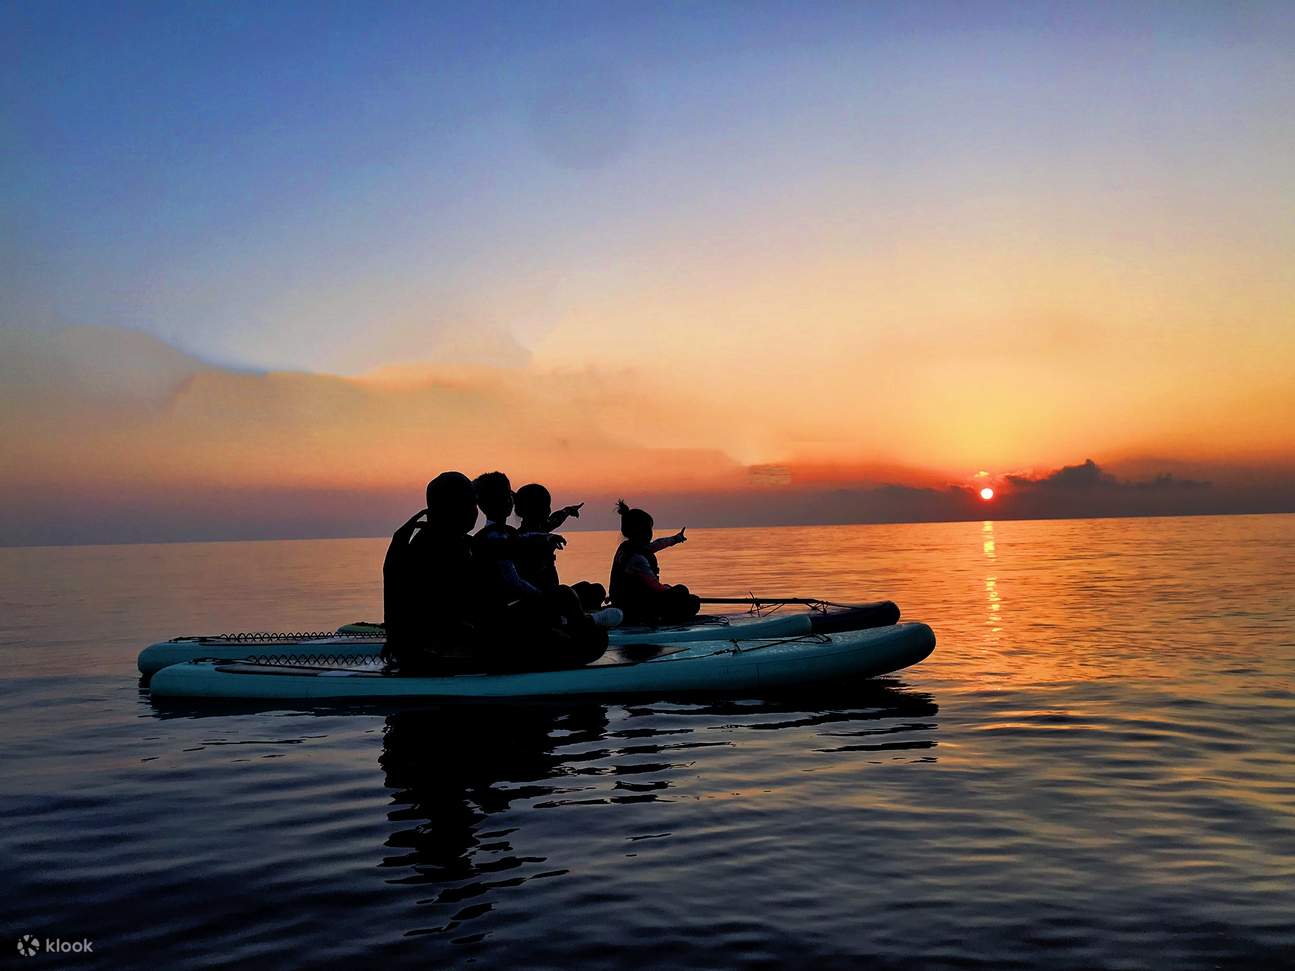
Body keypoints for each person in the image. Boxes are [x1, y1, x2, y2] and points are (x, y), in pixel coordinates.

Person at [472, 471, 608, 669]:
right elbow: (512, 581)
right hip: (504, 614)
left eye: (509, 495)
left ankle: (577, 626)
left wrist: (547, 536)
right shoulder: (493, 537)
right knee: (563, 594)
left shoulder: (507, 533)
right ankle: (583, 628)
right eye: (504, 496)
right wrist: (542, 597)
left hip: (520, 604)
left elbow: (526, 537)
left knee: (580, 591)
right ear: (486, 504)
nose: (509, 500)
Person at [381, 471, 482, 674]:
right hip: (432, 651)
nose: (475, 511)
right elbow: (448, 611)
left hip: (439, 643)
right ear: (451, 507)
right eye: (470, 504)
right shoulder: (433, 547)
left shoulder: (455, 541)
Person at [513, 482, 606, 613]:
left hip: (552, 594)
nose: (549, 510)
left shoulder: (542, 528)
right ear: (536, 509)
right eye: (546, 506)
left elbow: (555, 519)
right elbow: (531, 538)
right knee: (584, 593)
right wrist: (546, 539)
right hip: (539, 600)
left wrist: (568, 510)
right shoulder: (521, 538)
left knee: (594, 589)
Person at [608, 499, 701, 625]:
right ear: (641, 532)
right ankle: (664, 618)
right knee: (685, 594)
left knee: (682, 594)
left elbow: (656, 544)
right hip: (635, 607)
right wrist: (669, 588)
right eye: (649, 529)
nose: (651, 533)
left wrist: (675, 539)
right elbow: (655, 587)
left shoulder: (626, 547)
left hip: (623, 601)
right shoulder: (637, 558)